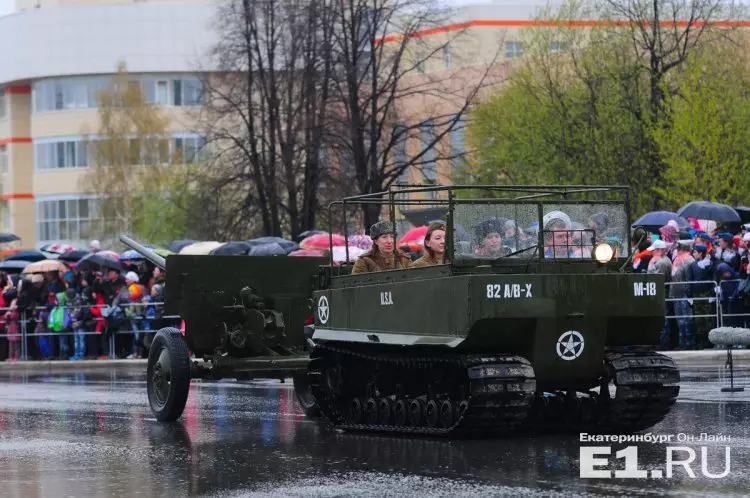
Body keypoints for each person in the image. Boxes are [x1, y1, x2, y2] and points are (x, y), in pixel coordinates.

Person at [688, 244, 715, 349]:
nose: (693, 254)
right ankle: (701, 340)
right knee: (698, 318)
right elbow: (690, 279)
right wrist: (689, 295)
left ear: (700, 253)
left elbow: (713, 278)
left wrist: (713, 293)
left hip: (707, 293)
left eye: (695, 252)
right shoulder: (692, 265)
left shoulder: (710, 264)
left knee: (708, 317)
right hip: (696, 294)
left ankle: (710, 340)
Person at [670, 240, 696, 350]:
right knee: (679, 320)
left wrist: (689, 294)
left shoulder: (689, 260)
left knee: (687, 319)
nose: (677, 250)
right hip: (676, 294)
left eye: (678, 248)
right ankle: (682, 343)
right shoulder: (677, 259)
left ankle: (690, 343)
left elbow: (689, 278)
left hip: (685, 294)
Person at [647, 240, 672, 348]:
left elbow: (656, 278)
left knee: (663, 317)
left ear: (659, 250)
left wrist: (651, 265)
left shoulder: (661, 262)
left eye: (654, 250)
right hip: (660, 291)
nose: (652, 253)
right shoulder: (663, 260)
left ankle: (663, 342)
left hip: (661, 292)